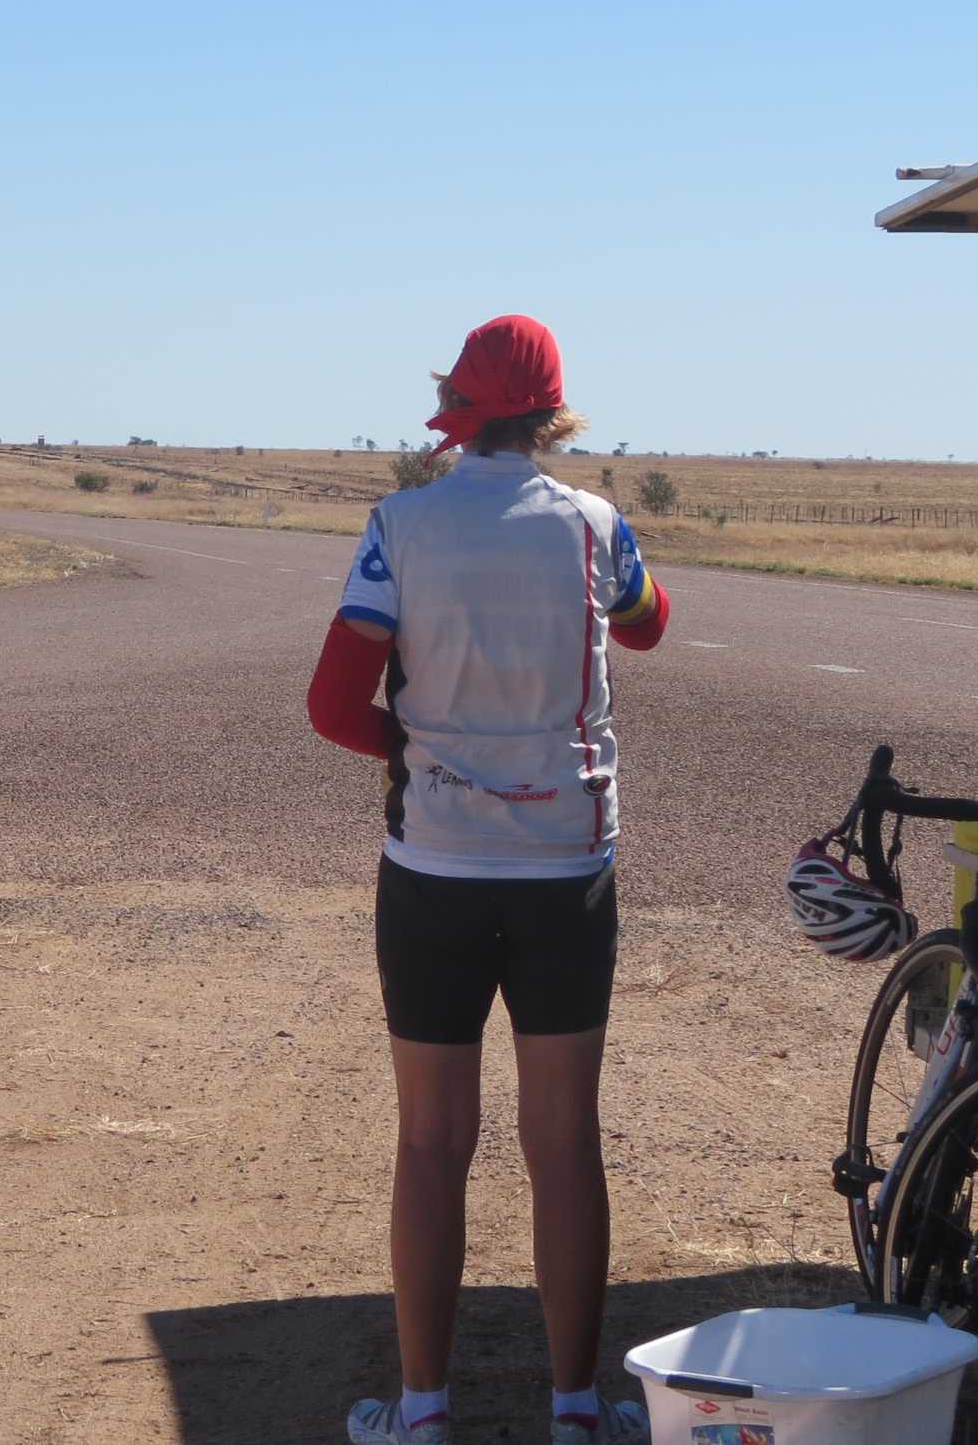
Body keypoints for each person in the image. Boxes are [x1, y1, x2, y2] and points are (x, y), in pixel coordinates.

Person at [304, 315, 670, 1445]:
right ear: (551, 416)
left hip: (435, 871)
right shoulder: (593, 524)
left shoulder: (400, 524)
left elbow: (331, 705)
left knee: (431, 1142)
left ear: (456, 412)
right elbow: (648, 627)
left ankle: (421, 1413)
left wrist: (416, 753)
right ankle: (573, 1409)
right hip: (567, 866)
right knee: (563, 1139)